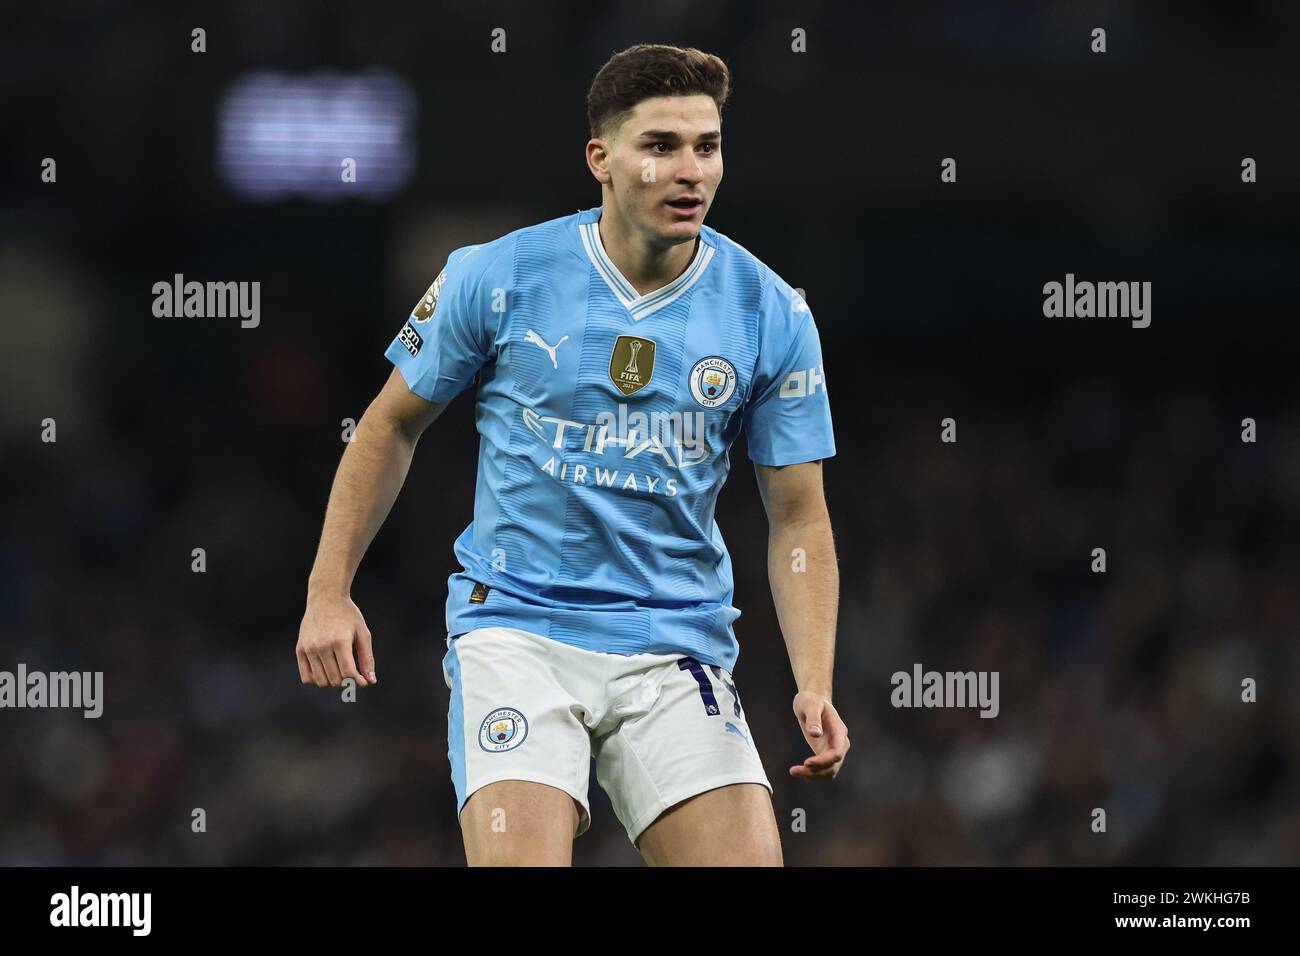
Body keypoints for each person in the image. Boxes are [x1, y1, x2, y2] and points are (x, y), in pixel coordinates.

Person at [297, 43, 848, 866]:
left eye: (707, 146)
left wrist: (813, 679)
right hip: (516, 630)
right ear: (601, 158)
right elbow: (387, 425)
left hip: (674, 642)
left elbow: (799, 516)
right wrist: (328, 591)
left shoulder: (771, 311)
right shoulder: (497, 275)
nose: (689, 169)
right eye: (660, 146)